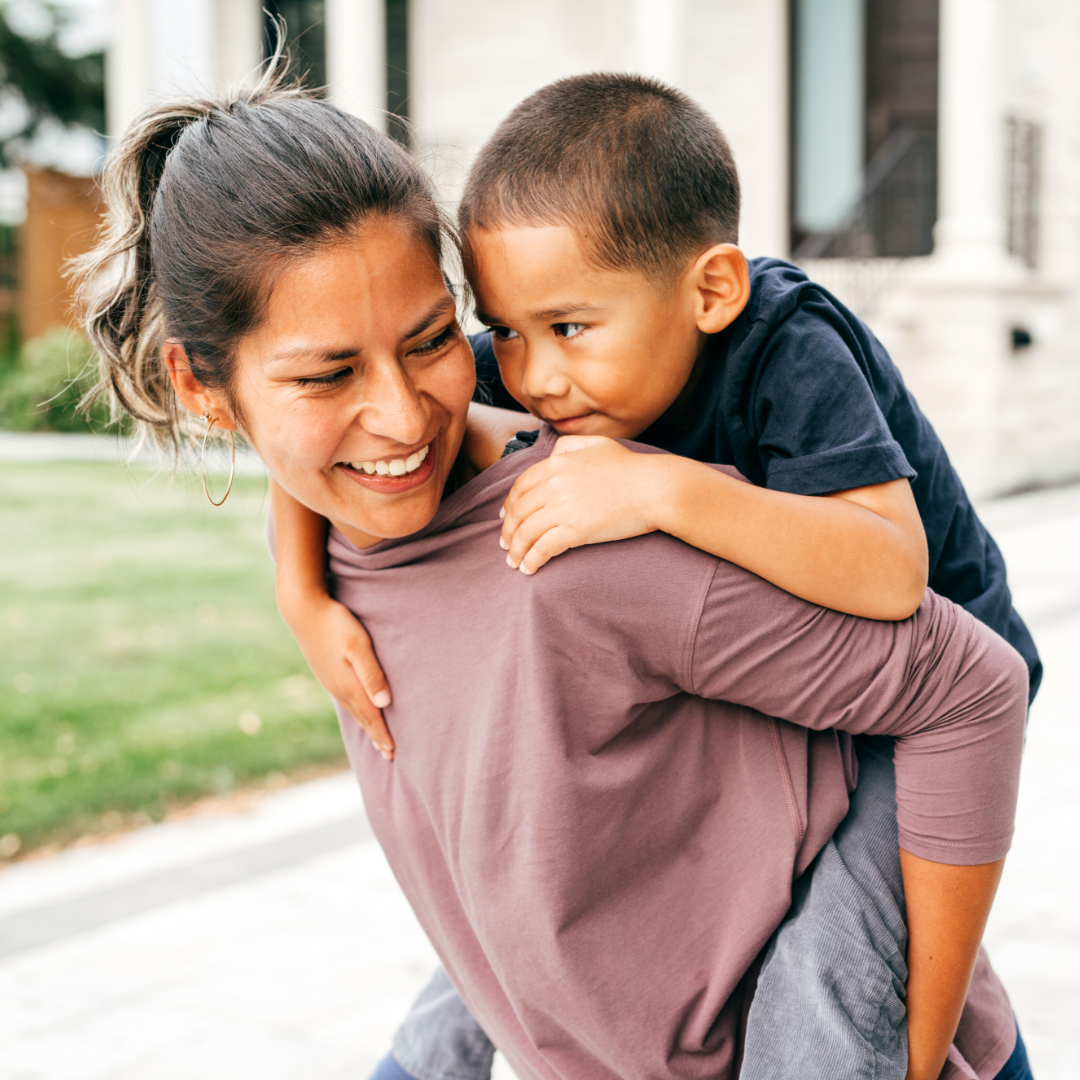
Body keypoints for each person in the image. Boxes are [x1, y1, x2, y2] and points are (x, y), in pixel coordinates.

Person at [75, 70, 1034, 1080]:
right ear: (204, 385)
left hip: (926, 638)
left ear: (707, 290)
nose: (409, 417)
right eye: (325, 374)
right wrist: (299, 589)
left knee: (825, 1012)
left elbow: (932, 631)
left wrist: (665, 490)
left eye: (431, 339)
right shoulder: (504, 383)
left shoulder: (728, 403)